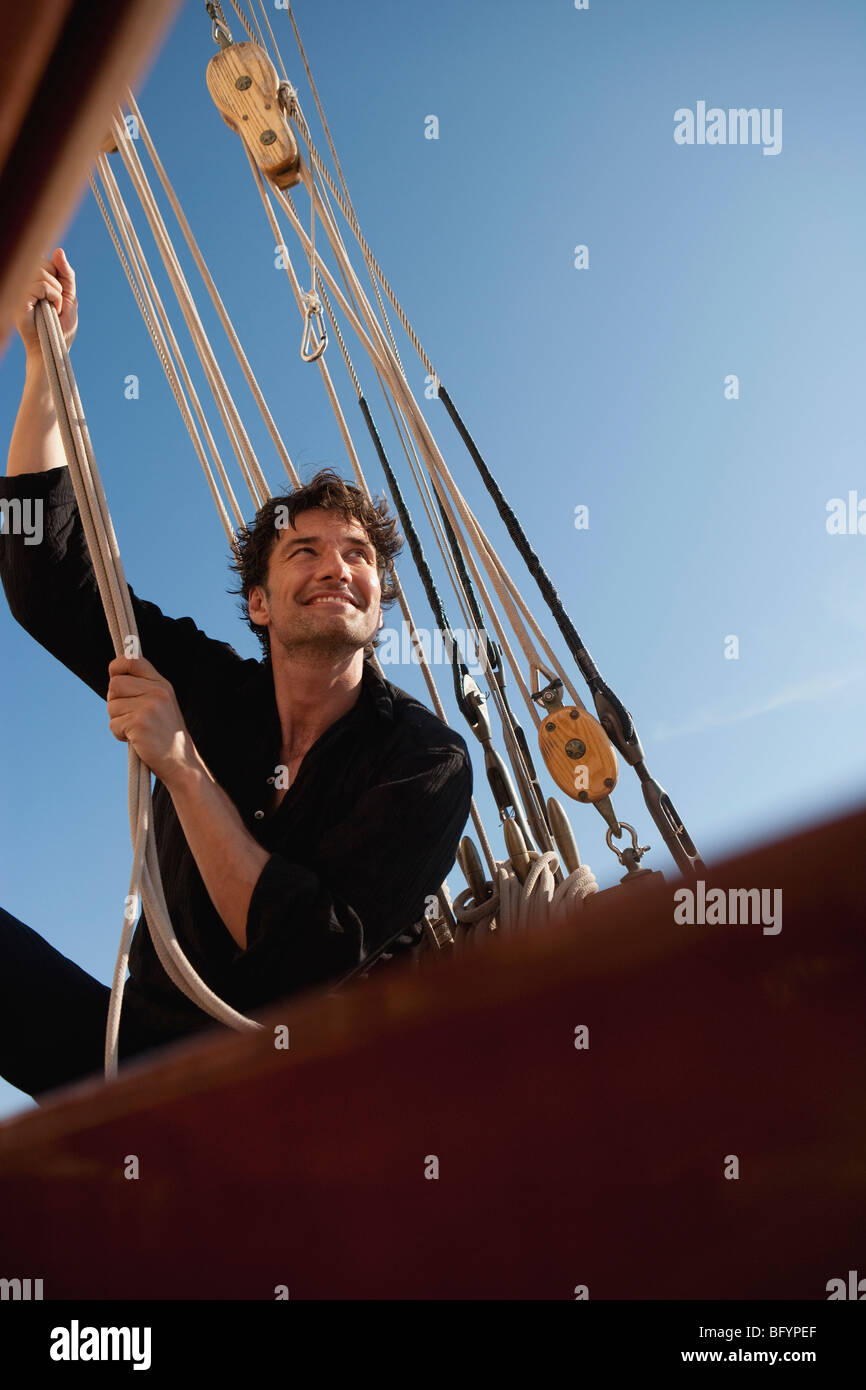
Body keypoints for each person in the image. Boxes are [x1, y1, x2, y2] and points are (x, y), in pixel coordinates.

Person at [0, 249, 473, 1104]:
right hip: (137, 1065)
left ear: (379, 597)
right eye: (306, 551)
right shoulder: (212, 688)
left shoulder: (425, 761)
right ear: (259, 602)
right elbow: (48, 588)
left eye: (358, 555)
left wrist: (182, 767)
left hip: (304, 1094)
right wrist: (43, 372)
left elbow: (306, 958)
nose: (337, 567)